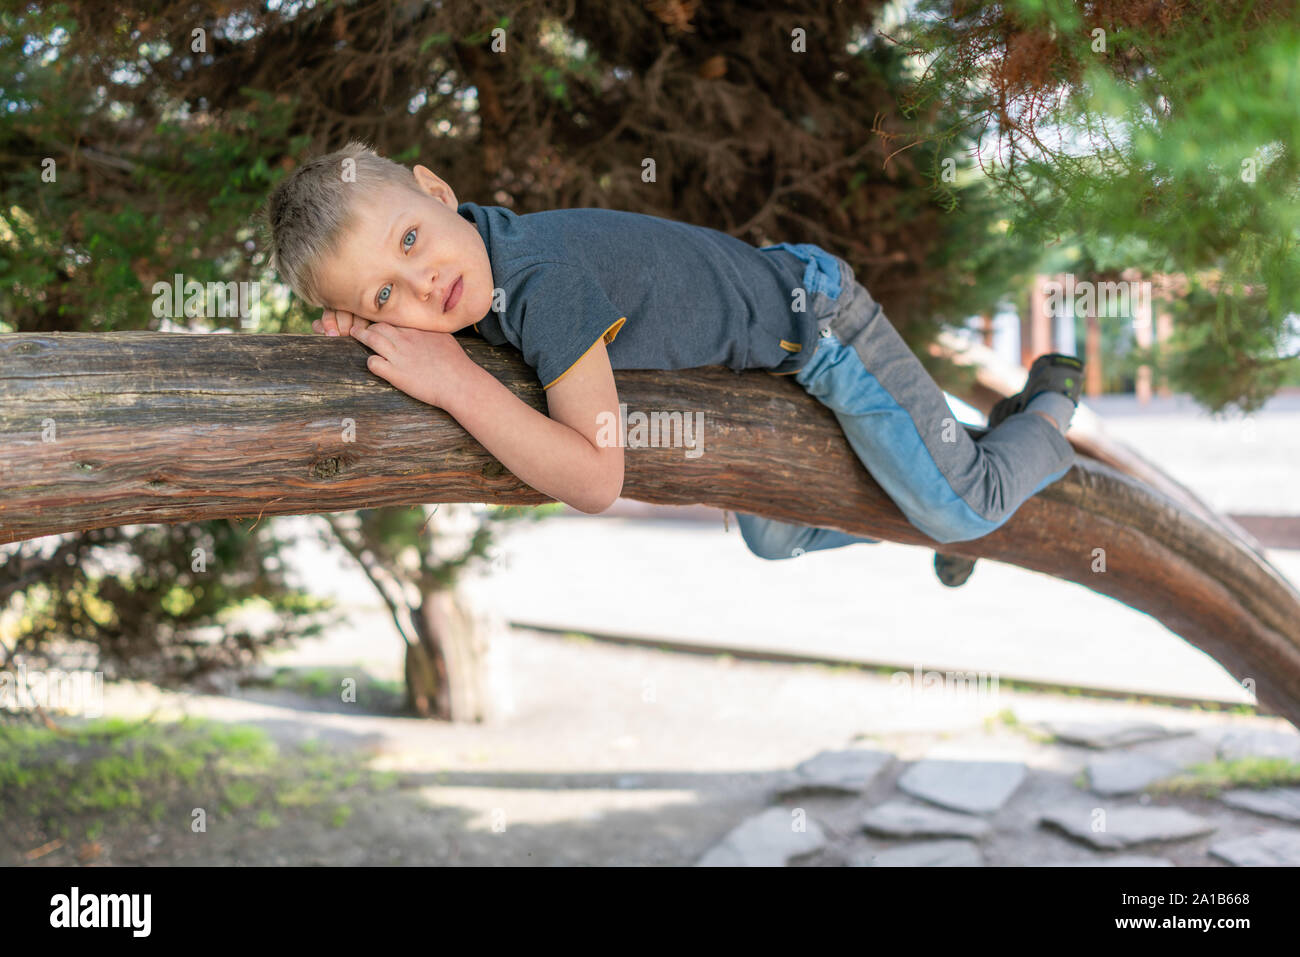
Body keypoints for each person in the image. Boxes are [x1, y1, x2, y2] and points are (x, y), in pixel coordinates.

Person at [264, 141, 1084, 586]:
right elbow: (427, 294)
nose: (424, 283)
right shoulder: (483, 253)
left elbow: (594, 479)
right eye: (384, 296)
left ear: (437, 191)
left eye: (412, 241)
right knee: (777, 538)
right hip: (761, 368)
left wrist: (452, 380)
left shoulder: (543, 283)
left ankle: (1045, 416)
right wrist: (366, 322)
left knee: (966, 504)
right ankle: (939, 496)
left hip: (823, 325)